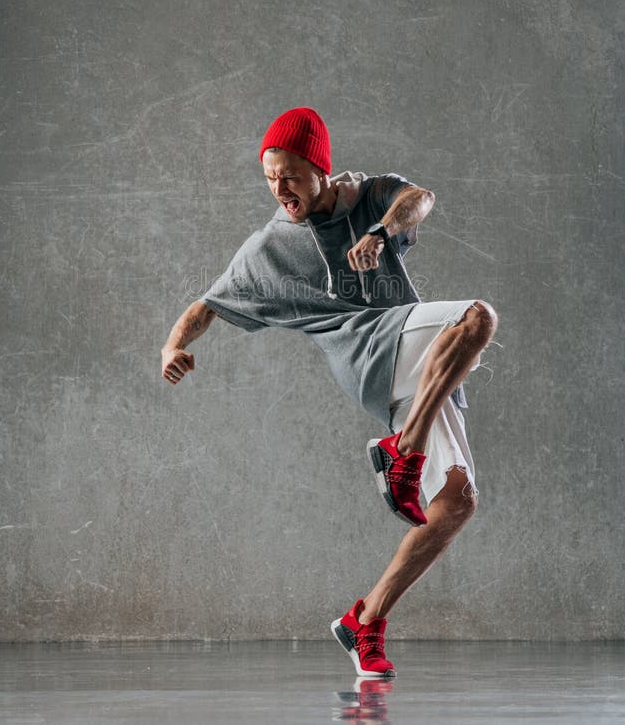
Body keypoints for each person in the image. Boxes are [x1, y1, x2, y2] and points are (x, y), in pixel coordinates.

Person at [161, 107, 499, 678]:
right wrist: (171, 346)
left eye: (290, 175)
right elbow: (205, 305)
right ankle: (402, 454)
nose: (279, 189)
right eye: (270, 178)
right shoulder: (267, 249)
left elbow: (422, 198)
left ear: (320, 169)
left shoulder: (369, 197)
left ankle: (364, 620)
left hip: (418, 364)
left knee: (456, 505)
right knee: (476, 318)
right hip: (367, 357)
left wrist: (382, 230)